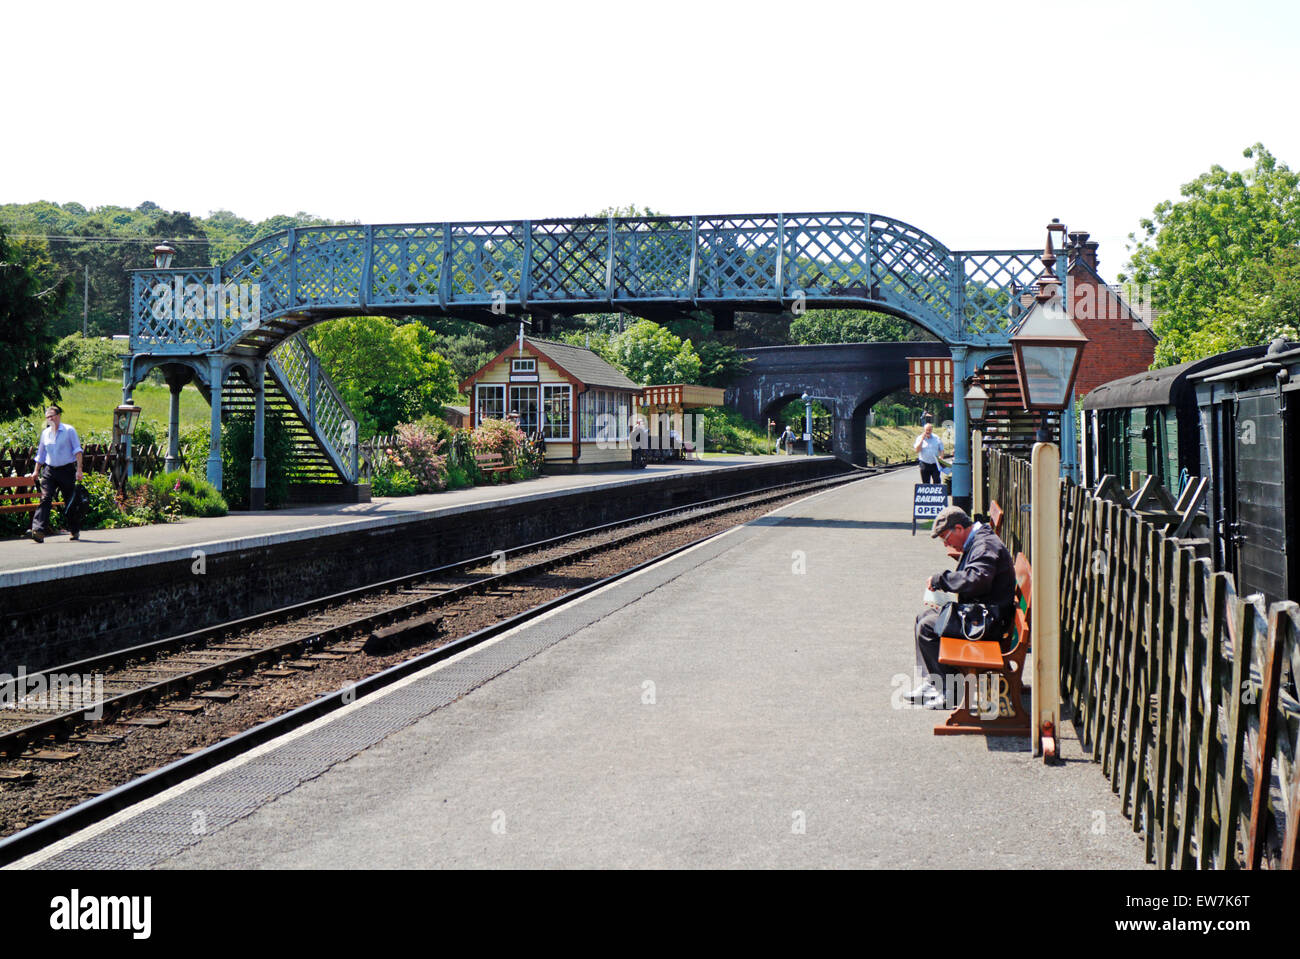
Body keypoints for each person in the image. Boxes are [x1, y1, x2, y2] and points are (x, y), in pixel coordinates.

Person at [905, 506, 1015, 709]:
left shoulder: (984, 545)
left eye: (946, 538)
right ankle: (935, 681)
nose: (946, 544)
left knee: (928, 626)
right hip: (984, 613)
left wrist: (942, 580)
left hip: (988, 622)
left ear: (958, 528)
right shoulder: (979, 540)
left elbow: (977, 579)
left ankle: (951, 691)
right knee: (924, 617)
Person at [29, 404, 84, 544]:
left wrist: (79, 470)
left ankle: (74, 529)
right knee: (45, 498)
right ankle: (38, 531)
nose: (50, 419)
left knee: (69, 501)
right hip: (50, 470)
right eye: (47, 417)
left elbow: (77, 451)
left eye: (52, 416)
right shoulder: (45, 434)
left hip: (66, 469)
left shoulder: (69, 430)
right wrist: (36, 471)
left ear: (58, 416)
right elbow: (41, 455)